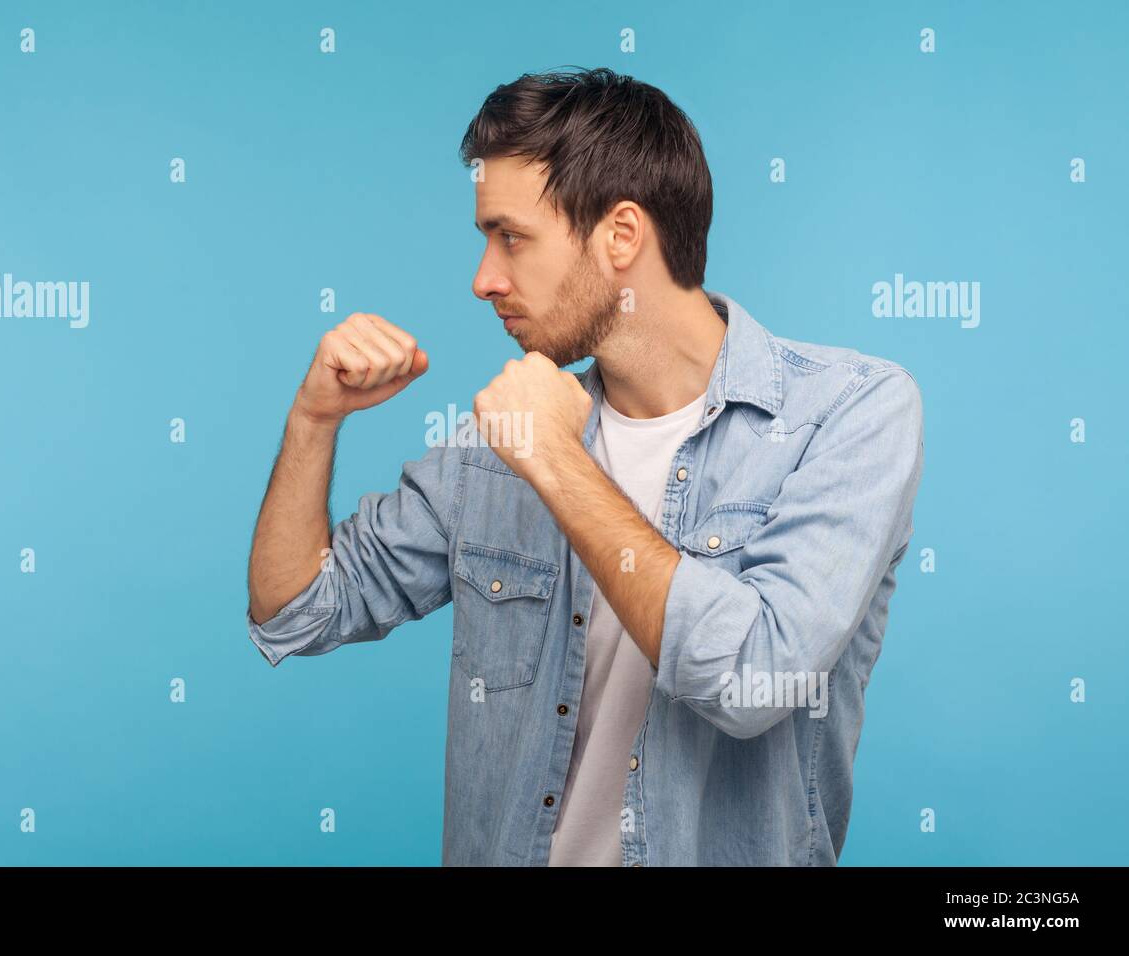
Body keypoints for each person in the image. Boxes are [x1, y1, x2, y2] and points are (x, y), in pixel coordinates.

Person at [245, 67, 924, 866]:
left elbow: (754, 681)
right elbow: (296, 609)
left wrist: (556, 463)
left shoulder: (850, 412)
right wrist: (314, 419)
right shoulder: (496, 446)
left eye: (512, 237)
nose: (483, 279)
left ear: (622, 236)